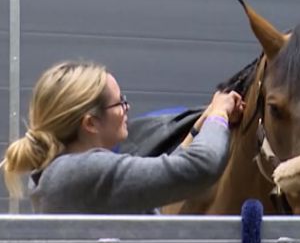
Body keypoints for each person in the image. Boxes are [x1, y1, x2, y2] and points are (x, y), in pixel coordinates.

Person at [2, 60, 243, 214]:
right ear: (91, 123)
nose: (127, 108)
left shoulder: (58, 172)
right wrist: (220, 113)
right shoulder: (82, 172)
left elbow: (166, 176)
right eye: (120, 103)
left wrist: (199, 127)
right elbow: (200, 167)